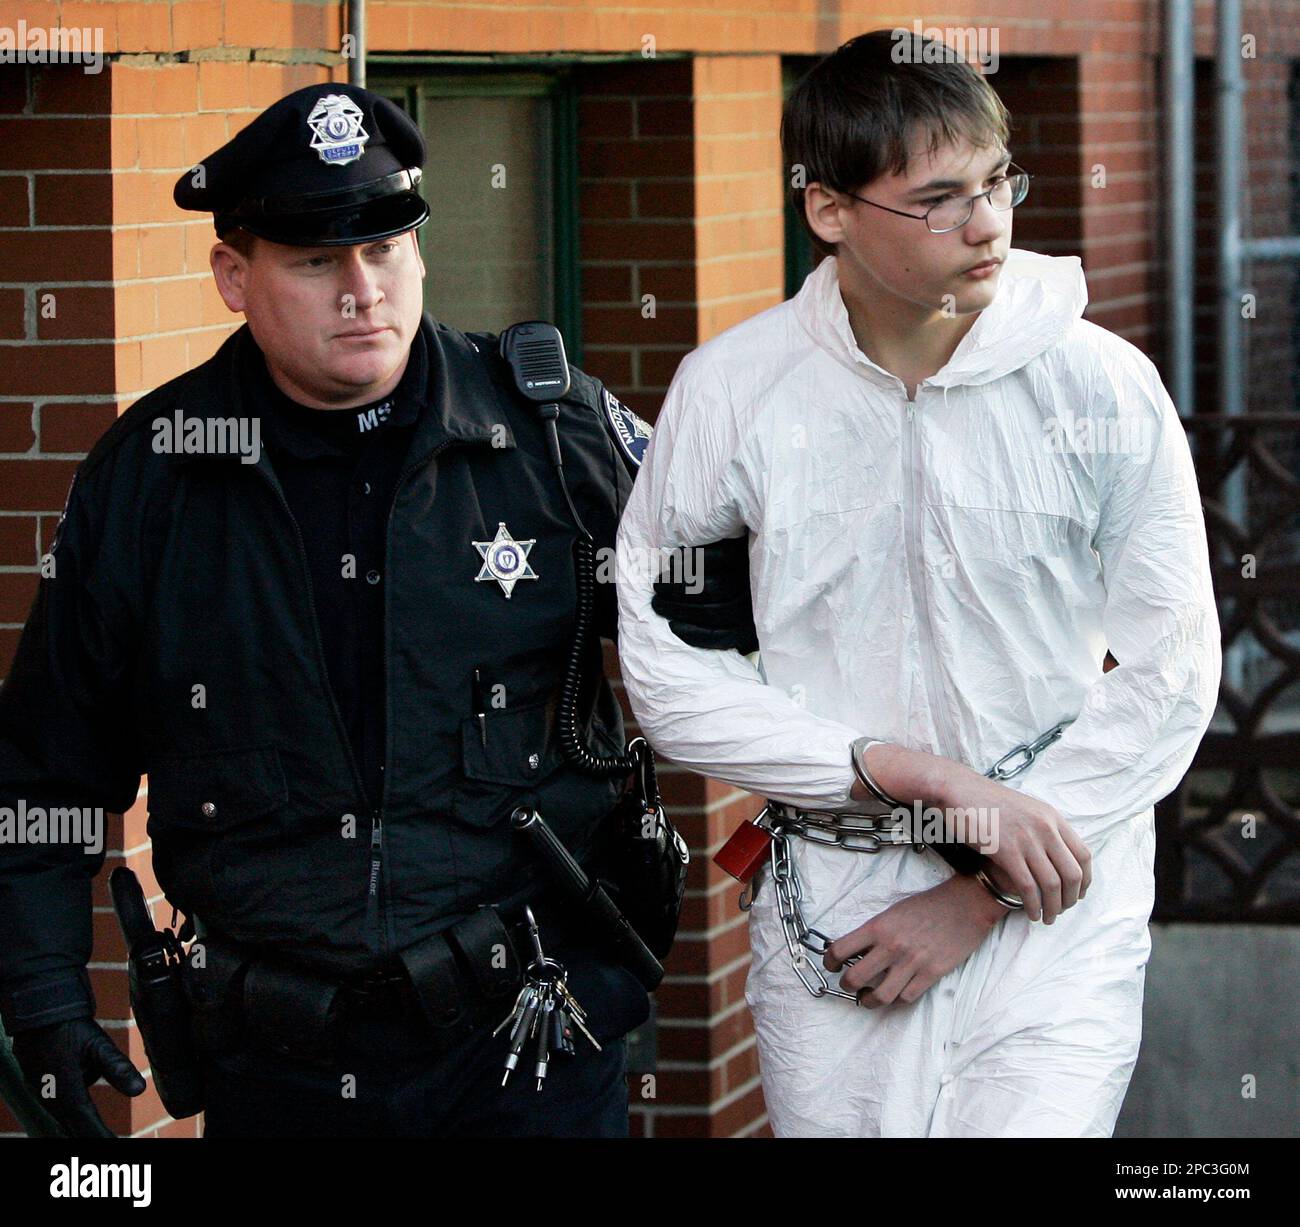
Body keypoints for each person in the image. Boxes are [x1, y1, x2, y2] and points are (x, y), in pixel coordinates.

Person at [0, 82, 728, 1139]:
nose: (363, 289)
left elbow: (740, 631)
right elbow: (45, 773)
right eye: (315, 260)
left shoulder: (549, 433)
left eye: (386, 249)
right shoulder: (151, 477)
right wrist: (48, 1001)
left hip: (530, 1041)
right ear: (233, 279)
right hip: (282, 1066)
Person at [616, 29, 1222, 1138]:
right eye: (937, 198)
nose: (985, 221)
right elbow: (663, 666)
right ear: (829, 211)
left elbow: (1173, 667)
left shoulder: (1098, 384)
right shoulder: (732, 393)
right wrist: (901, 773)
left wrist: (983, 885)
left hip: (1057, 900)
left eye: (996, 182)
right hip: (832, 907)